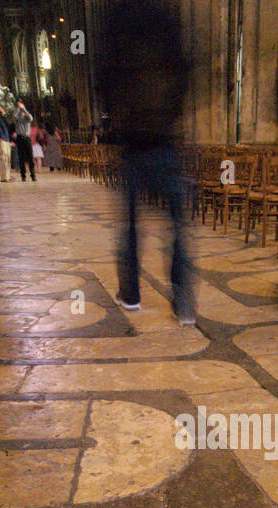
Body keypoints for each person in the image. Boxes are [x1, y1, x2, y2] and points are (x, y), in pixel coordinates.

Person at [99, 0, 195, 325]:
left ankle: (131, 294)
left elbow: (106, 78)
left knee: (129, 225)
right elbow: (184, 71)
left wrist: (116, 120)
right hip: (165, 139)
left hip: (133, 142)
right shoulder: (166, 18)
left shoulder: (118, 18)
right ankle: (182, 303)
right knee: (178, 227)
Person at [13, 100, 36, 182]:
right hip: (20, 137)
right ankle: (23, 175)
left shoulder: (27, 116)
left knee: (30, 157)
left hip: (27, 137)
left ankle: (33, 174)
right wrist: (18, 109)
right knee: (21, 157)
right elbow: (14, 116)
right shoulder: (17, 116)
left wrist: (24, 109)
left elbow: (31, 118)